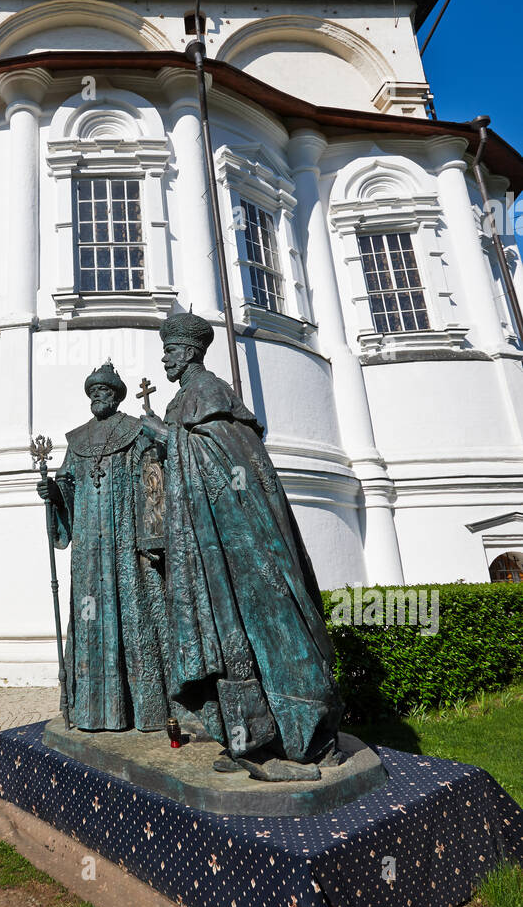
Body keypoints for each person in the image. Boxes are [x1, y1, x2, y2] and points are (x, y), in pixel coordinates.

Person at [141, 314, 342, 778]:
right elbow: (187, 456)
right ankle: (246, 740)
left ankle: (297, 738)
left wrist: (167, 437)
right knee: (225, 636)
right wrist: (168, 438)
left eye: (170, 352)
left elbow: (230, 462)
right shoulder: (182, 404)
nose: (166, 360)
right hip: (207, 544)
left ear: (189, 352)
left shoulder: (210, 395)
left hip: (237, 541)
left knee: (259, 627)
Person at [37, 361, 170, 731]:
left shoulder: (134, 431)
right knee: (88, 617)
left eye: (105, 392)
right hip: (88, 554)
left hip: (124, 545)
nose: (98, 397)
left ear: (116, 395)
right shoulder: (77, 440)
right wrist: (54, 494)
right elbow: (69, 485)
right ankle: (90, 710)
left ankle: (141, 710)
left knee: (134, 615)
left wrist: (153, 536)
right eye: (93, 392)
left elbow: (154, 482)